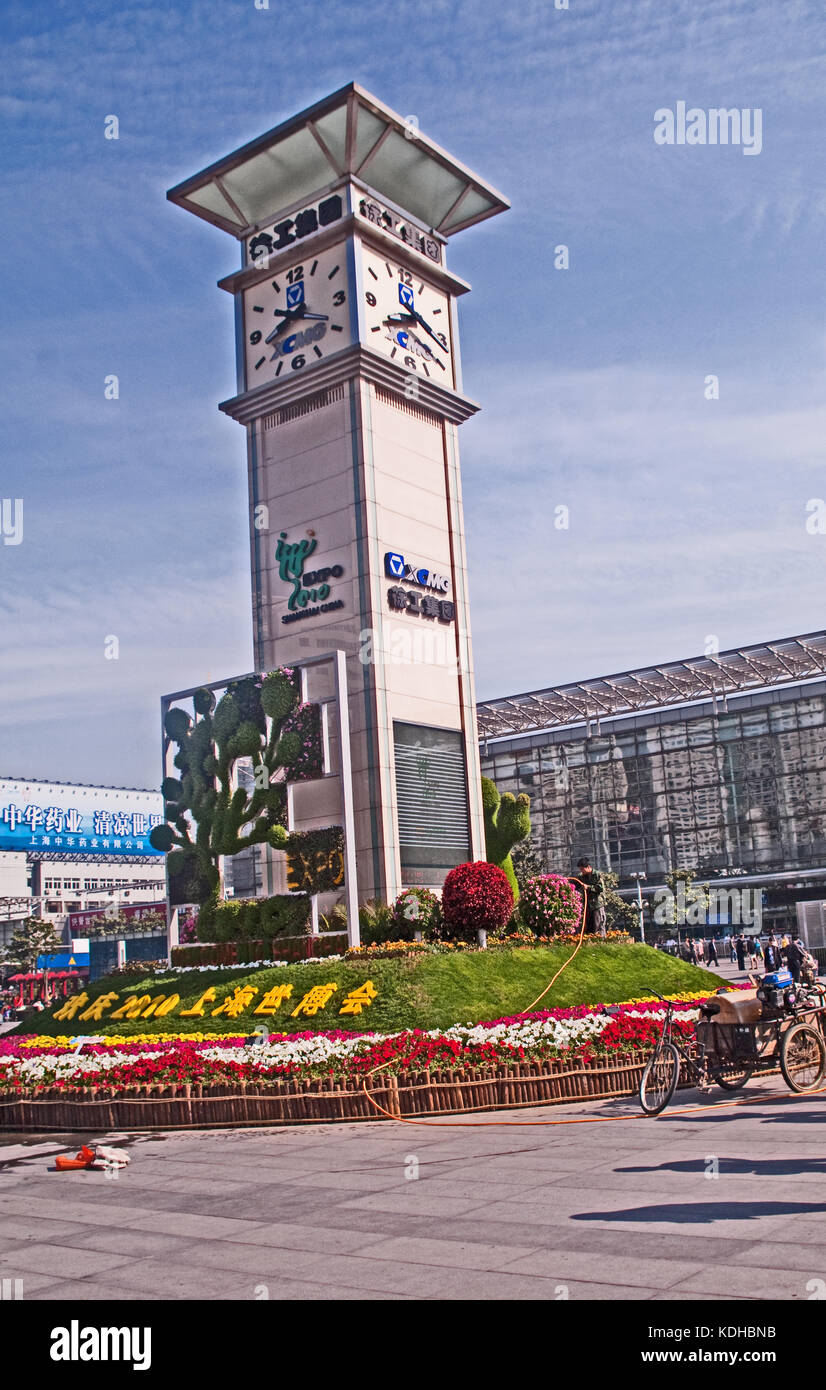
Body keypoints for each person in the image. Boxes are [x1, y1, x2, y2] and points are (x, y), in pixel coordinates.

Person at [575, 858, 606, 936]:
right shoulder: (581, 876)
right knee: (588, 928)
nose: (581, 871)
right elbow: (576, 885)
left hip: (597, 905)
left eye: (582, 869)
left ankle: (600, 941)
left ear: (588, 867)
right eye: (580, 870)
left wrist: (588, 887)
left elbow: (600, 888)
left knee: (598, 927)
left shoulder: (597, 875)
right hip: (587, 906)